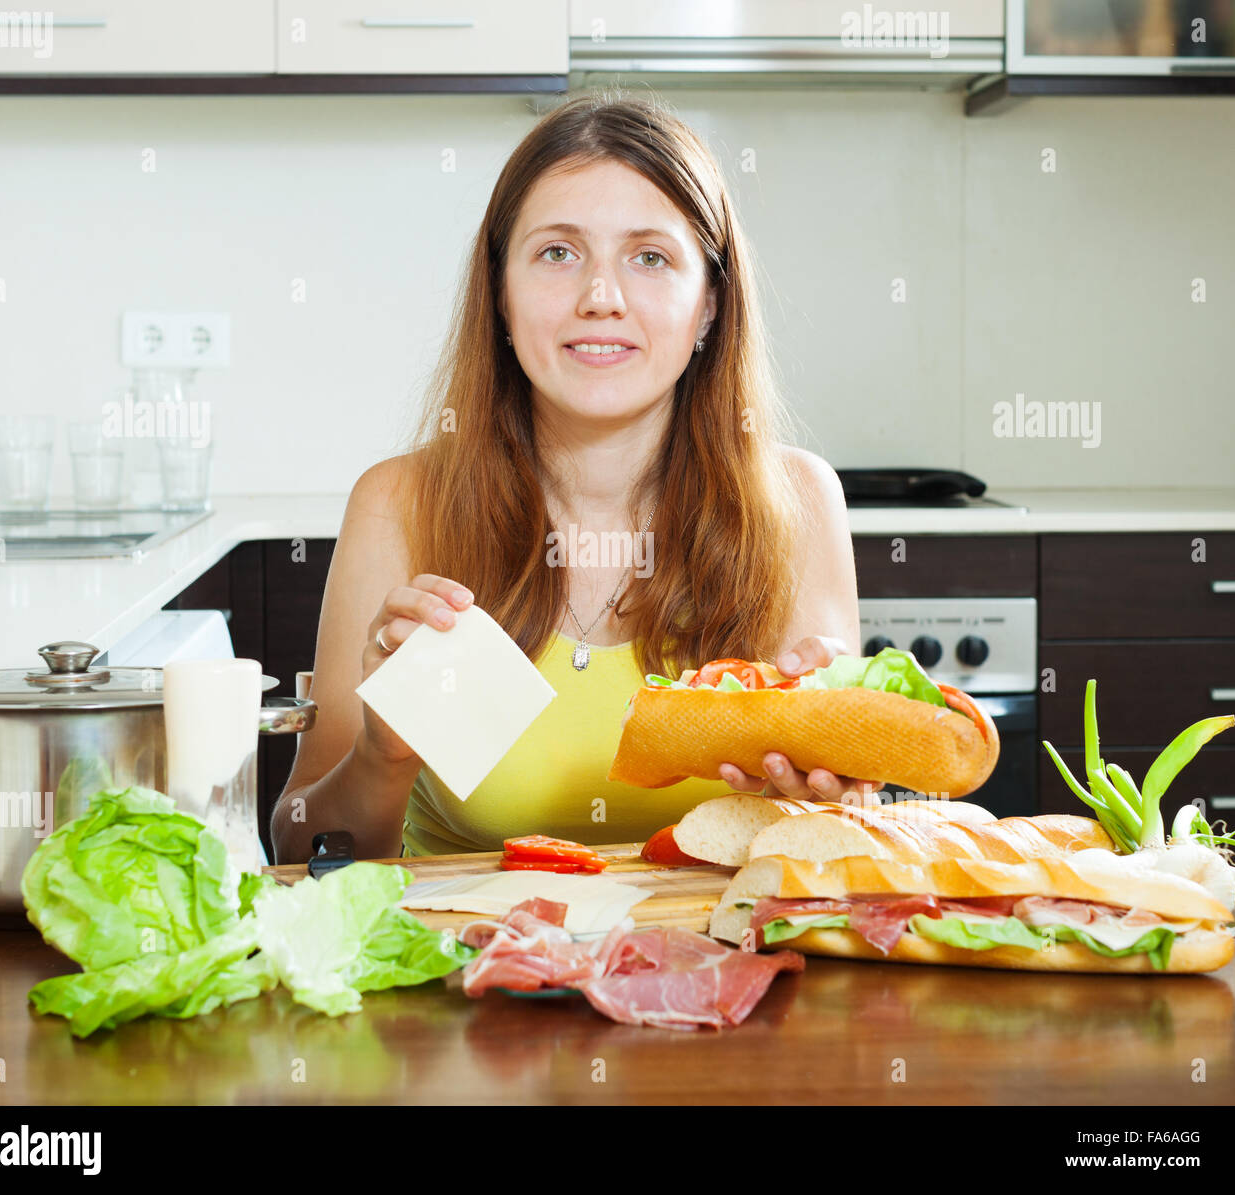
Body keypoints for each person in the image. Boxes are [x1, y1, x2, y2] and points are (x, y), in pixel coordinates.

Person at [272, 90, 880, 864]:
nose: (601, 298)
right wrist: (383, 755)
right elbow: (297, 839)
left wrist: (839, 791)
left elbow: (840, 844)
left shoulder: (796, 503)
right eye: (558, 252)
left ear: (709, 308)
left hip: (728, 967)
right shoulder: (399, 504)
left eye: (651, 257)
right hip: (469, 970)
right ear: (498, 291)